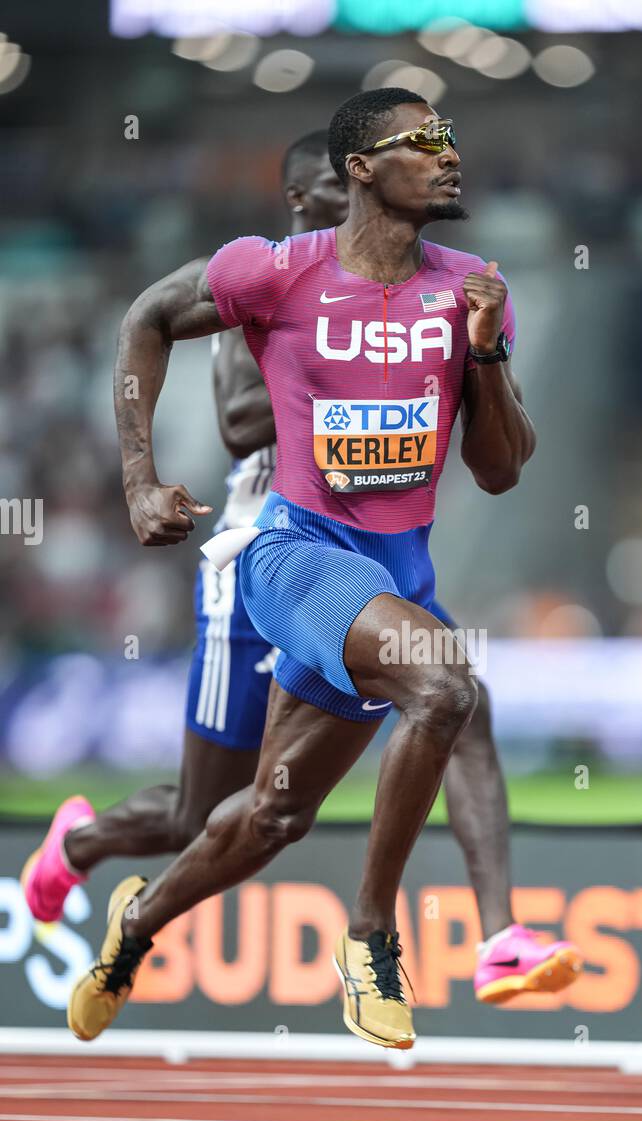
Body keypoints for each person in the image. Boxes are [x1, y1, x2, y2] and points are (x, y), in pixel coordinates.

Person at [61, 89, 579, 1051]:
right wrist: (139, 480)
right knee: (445, 686)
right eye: (421, 143)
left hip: (397, 572)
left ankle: (131, 931)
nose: (448, 154)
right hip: (296, 555)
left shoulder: (468, 285)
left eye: (451, 139)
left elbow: (502, 472)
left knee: (275, 812)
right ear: (360, 169)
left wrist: (490, 354)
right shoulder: (274, 273)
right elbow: (146, 317)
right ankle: (373, 933)